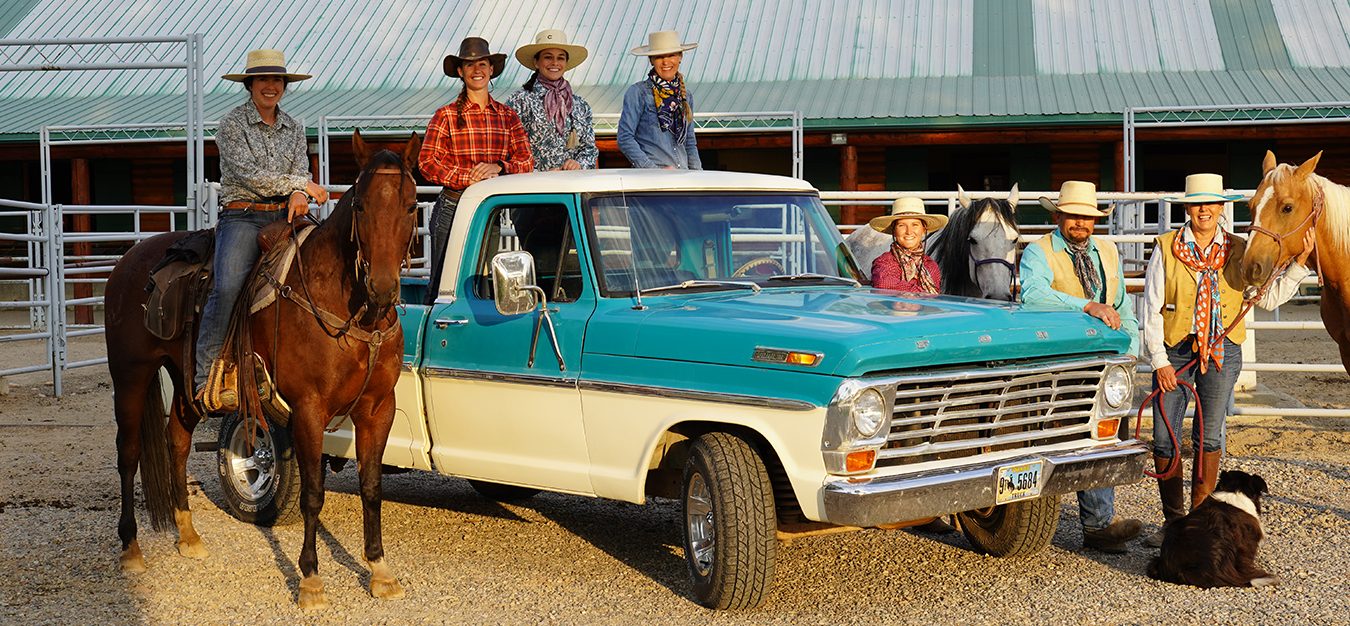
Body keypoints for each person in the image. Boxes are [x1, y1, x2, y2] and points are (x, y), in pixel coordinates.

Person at [1142, 173, 1313, 547]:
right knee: (1164, 436)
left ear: (1221, 208)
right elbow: (1151, 307)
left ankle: (1199, 523)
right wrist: (1159, 360)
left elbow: (1265, 299)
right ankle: (1173, 523)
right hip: (1175, 350)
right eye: (1197, 203)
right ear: (1188, 208)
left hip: (1221, 350)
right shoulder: (1166, 248)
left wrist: (1299, 266)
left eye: (1211, 203)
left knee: (1210, 434)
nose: (1204, 210)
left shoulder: (1239, 250)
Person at [195, 49, 328, 411]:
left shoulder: (296, 128)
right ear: (250, 85)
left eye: (277, 80)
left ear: (284, 86)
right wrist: (302, 182)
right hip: (243, 215)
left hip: (283, 217)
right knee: (227, 287)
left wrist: (300, 190)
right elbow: (248, 175)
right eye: (263, 80)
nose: (271, 87)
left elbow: (300, 171)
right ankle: (207, 375)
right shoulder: (232, 125)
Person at [1021, 180, 1143, 553]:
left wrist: (1130, 353)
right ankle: (1034, 521)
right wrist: (1087, 306)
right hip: (1057, 359)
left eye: (1087, 217)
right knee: (1054, 435)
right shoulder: (1037, 252)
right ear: (1058, 216)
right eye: (1074, 215)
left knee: (1101, 434)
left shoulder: (1106, 251)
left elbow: (1120, 304)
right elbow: (1034, 294)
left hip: (1103, 358)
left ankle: (1098, 524)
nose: (1080, 223)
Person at [420, 37, 534, 303]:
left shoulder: (507, 116)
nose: (476, 70)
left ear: (491, 69)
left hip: (487, 210)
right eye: (469, 65)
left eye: (482, 63)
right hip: (453, 206)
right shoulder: (445, 115)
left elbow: (526, 161)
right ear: (460, 72)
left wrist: (499, 166)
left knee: (481, 283)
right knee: (441, 282)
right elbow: (427, 162)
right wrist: (467, 177)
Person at [506, 29, 598, 171]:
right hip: (533, 185)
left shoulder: (580, 105)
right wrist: (540, 172)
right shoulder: (519, 102)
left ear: (566, 63)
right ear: (536, 62)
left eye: (560, 58)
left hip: (572, 185)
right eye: (548, 57)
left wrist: (578, 164)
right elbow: (509, 149)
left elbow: (590, 149)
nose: (555, 62)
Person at [617, 30, 702, 170]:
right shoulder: (638, 93)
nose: (666, 62)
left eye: (671, 55)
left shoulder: (686, 96)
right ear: (651, 60)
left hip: (682, 177)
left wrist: (698, 175)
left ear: (680, 57)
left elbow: (689, 142)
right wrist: (653, 171)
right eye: (659, 57)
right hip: (651, 181)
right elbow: (625, 138)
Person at [866, 197, 945, 293]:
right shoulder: (885, 262)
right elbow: (884, 285)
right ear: (894, 231)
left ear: (923, 229)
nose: (909, 232)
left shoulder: (930, 265)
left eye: (915, 225)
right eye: (901, 225)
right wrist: (923, 292)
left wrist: (907, 289)